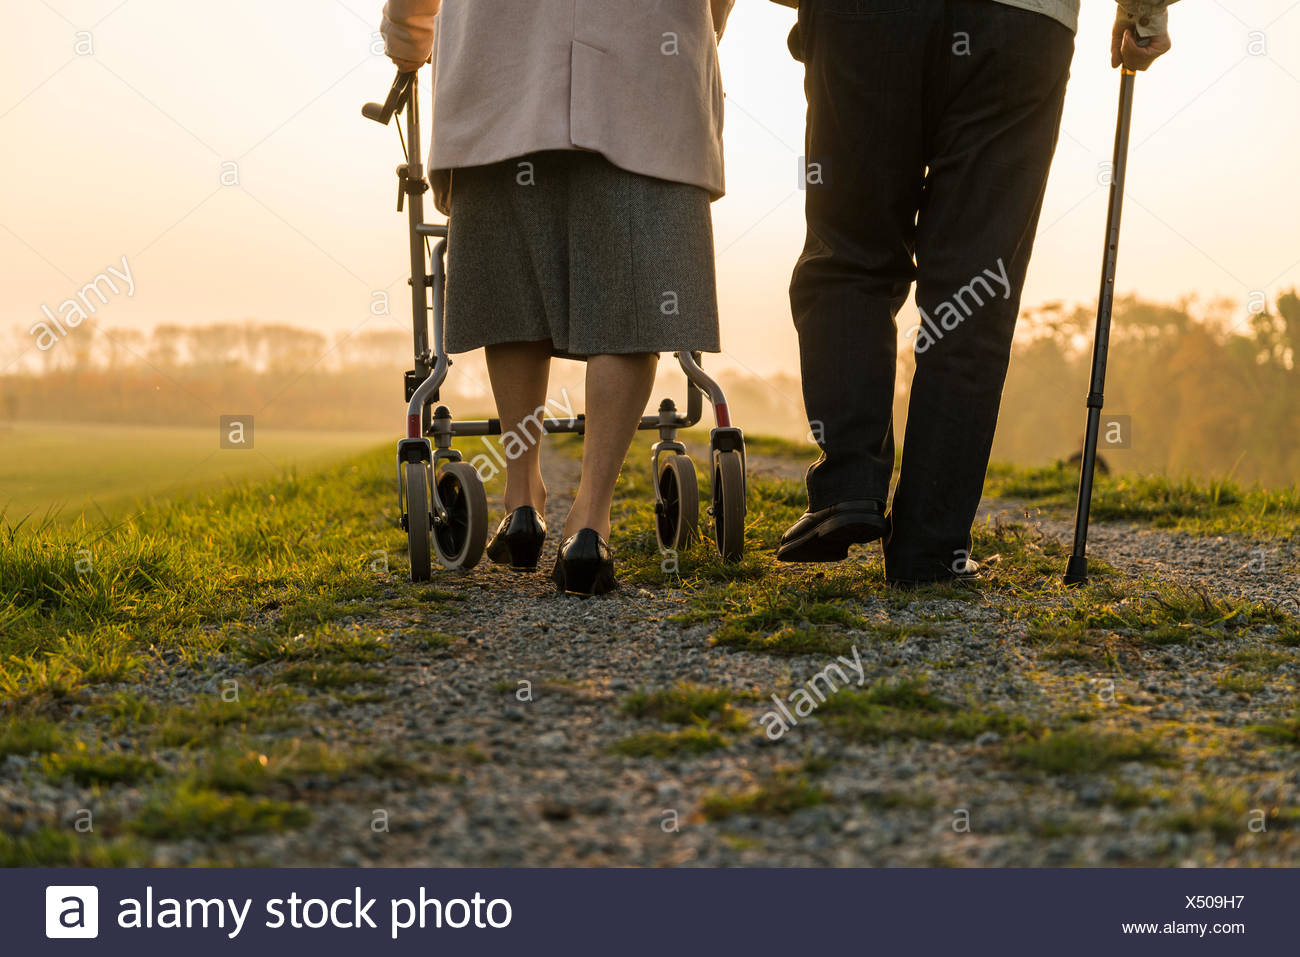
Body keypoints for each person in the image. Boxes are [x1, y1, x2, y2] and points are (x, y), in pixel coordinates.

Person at [773, 0, 1177, 586]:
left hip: (866, 18)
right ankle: (931, 547)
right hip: (1022, 22)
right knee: (976, 286)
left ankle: (849, 488)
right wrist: (1145, 11)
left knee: (850, 252)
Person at [381, 0, 735, 595]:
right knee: (630, 298)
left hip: (503, 63)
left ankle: (522, 498)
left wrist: (407, 41)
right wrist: (700, 23)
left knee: (514, 285)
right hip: (643, 58)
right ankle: (590, 522)